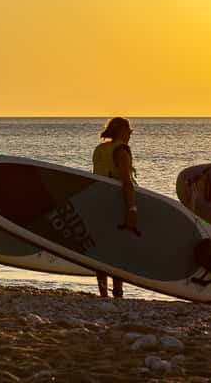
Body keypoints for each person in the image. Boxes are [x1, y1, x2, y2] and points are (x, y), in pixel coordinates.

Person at [92, 117, 139, 298]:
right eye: (129, 131)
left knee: (102, 249)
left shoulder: (99, 150)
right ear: (123, 131)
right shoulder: (120, 150)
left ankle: (103, 292)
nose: (131, 134)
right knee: (118, 248)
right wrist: (132, 209)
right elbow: (127, 182)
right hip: (116, 204)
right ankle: (118, 291)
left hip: (98, 203)